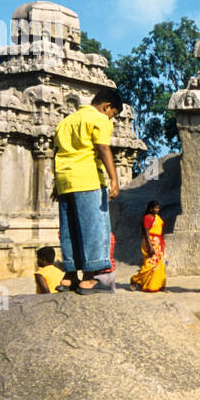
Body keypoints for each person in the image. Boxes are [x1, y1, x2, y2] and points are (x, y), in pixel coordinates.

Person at [53, 88, 122, 294]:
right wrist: (114, 178)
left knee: (69, 229)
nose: (112, 118)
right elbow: (103, 147)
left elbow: (55, 151)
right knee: (94, 228)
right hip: (88, 179)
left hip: (65, 180)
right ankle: (90, 278)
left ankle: (69, 276)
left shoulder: (67, 121)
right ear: (106, 106)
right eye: (114, 114)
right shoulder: (99, 119)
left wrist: (56, 182)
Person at [130, 200, 167, 292]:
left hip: (158, 243)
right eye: (155, 208)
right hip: (150, 242)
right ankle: (135, 279)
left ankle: (157, 284)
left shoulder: (157, 217)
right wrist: (149, 246)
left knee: (159, 264)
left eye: (158, 207)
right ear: (150, 209)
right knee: (150, 264)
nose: (157, 209)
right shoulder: (147, 218)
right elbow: (146, 232)